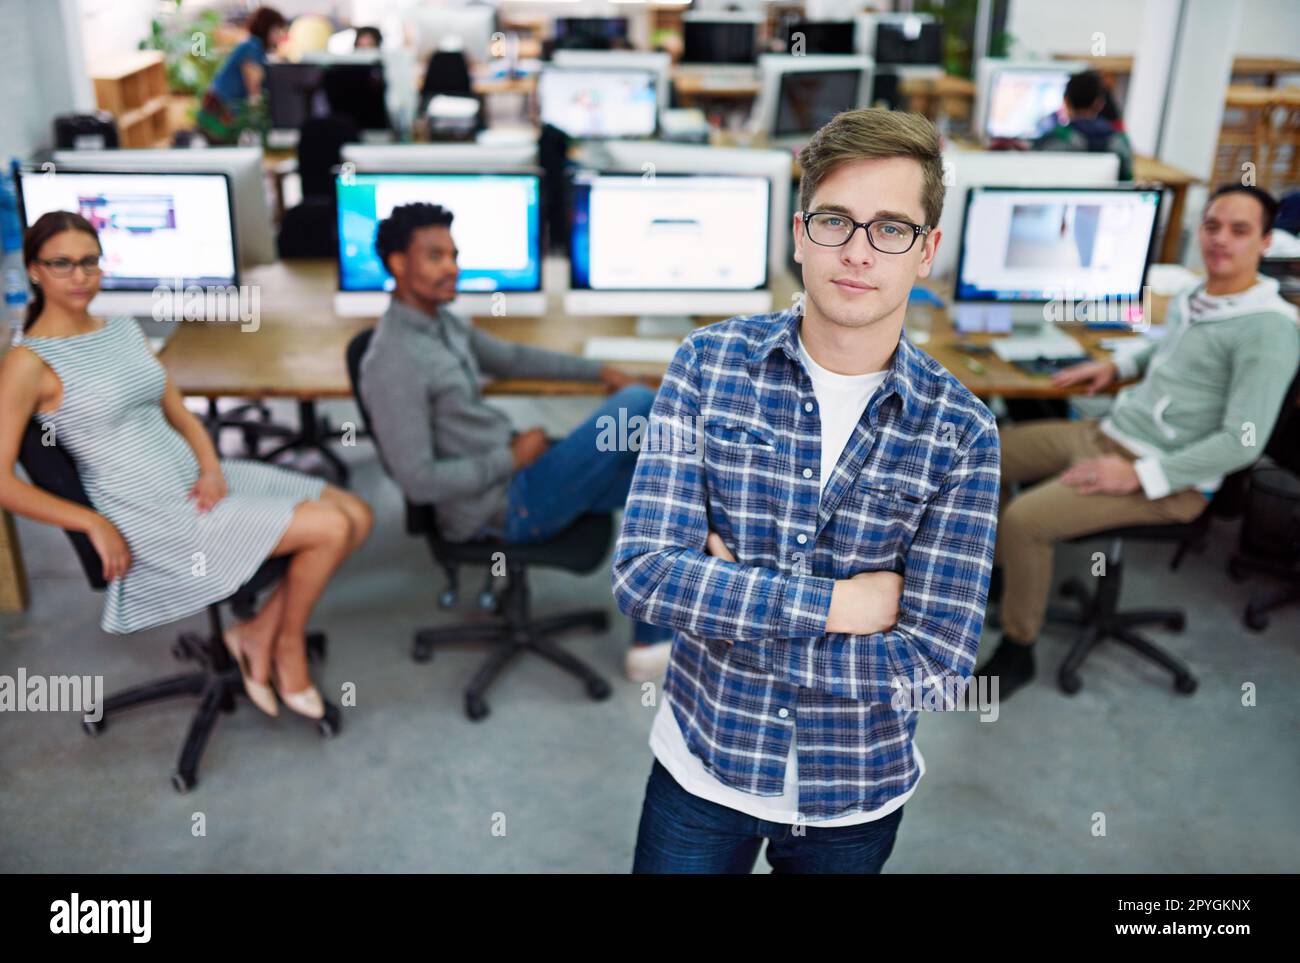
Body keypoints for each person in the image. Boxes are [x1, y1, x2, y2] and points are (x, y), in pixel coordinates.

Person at [613, 108, 1001, 873]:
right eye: (835, 221)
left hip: (854, 790)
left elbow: (936, 663)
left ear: (926, 251)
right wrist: (837, 606)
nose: (857, 252)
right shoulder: (706, 363)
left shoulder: (963, 431)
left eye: (890, 228)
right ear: (799, 234)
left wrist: (728, 602)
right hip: (703, 760)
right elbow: (644, 575)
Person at [0, 212, 372, 720]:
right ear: (35, 271)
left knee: (358, 513)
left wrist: (211, 467)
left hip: (196, 480)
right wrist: (90, 521)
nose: (81, 276)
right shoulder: (29, 364)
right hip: (150, 513)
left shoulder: (121, 328)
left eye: (90, 262)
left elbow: (178, 410)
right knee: (331, 527)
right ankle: (286, 651)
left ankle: (255, 634)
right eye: (62, 264)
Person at [976, 184, 1300, 699]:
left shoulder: (1269, 328)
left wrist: (1137, 475)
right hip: (1112, 434)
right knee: (981, 454)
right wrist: (1117, 365)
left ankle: (1018, 649)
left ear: (1265, 243)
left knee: (1025, 520)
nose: (1220, 240)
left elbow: (1243, 443)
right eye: (1213, 225)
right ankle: (1003, 575)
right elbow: (1166, 352)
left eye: (1240, 231)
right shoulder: (1199, 294)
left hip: (1168, 477)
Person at [356, 203, 674, 681]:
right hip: (500, 505)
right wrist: (509, 457)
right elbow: (418, 482)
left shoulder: (441, 322)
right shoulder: (392, 361)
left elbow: (512, 358)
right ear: (399, 264)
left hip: (523, 472)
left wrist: (600, 371)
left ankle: (651, 645)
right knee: (635, 403)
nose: (452, 268)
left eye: (454, 255)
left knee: (664, 484)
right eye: (436, 256)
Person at [198, 6, 287, 145]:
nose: (280, 35)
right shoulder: (253, 47)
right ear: (268, 29)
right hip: (219, 115)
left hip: (215, 108)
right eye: (277, 30)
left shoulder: (251, 45)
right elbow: (253, 88)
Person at [1033, 69, 1134, 180]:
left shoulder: (1052, 140)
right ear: (1100, 103)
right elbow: (1127, 181)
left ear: (1066, 101)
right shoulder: (1119, 141)